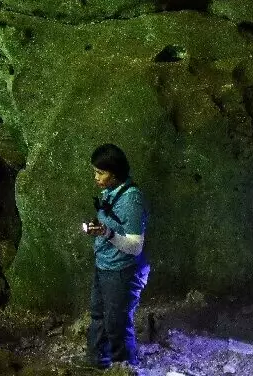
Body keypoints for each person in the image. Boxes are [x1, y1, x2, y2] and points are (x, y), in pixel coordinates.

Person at [83, 143, 150, 370]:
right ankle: (97, 363)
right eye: (95, 171)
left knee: (117, 325)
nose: (96, 177)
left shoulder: (131, 199)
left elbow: (135, 246)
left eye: (100, 172)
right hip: (105, 265)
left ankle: (124, 369)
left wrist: (106, 232)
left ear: (116, 173)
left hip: (122, 271)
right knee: (99, 316)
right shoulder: (110, 192)